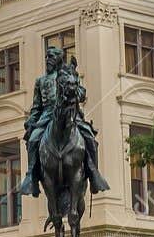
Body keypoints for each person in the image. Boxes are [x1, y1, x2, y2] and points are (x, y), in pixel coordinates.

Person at [23, 44, 110, 197]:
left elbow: (81, 94)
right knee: (33, 139)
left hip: (71, 114)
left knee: (89, 136)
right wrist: (31, 121)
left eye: (51, 56)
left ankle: (94, 174)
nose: (47, 59)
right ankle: (31, 176)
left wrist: (74, 90)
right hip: (47, 116)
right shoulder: (41, 81)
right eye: (46, 57)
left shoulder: (69, 75)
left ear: (59, 58)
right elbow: (37, 106)